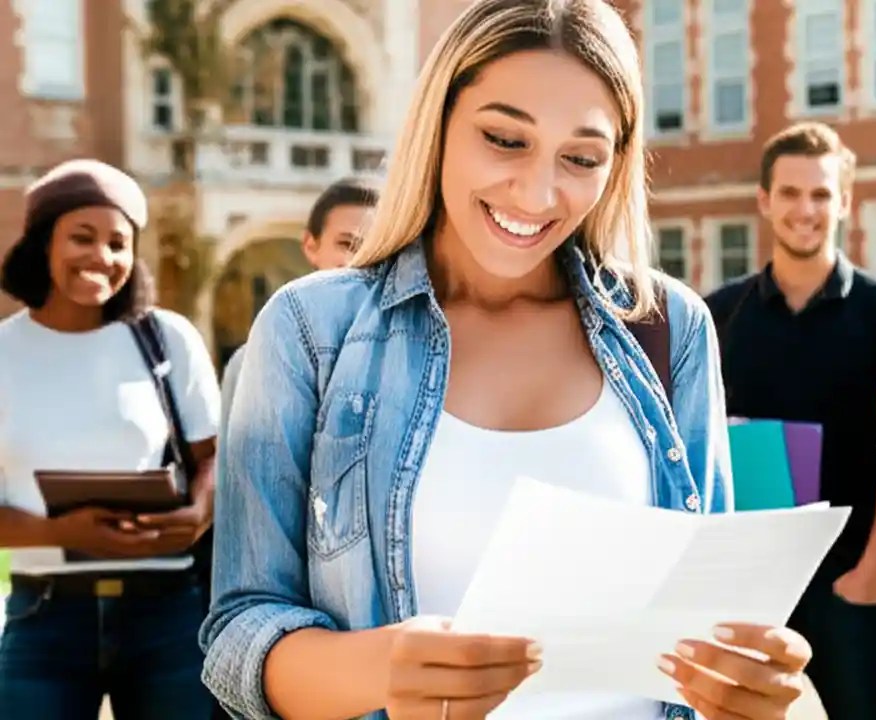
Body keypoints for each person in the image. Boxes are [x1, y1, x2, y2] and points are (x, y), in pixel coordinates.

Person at [199, 1, 814, 719]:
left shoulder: (669, 326)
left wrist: (754, 683)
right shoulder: (312, 330)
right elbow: (237, 635)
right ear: (439, 127)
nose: (538, 192)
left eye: (581, 158)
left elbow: (710, 614)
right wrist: (378, 668)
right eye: (503, 138)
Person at [704, 121, 876, 719]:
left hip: (848, 576)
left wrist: (874, 571)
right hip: (747, 578)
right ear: (764, 200)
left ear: (845, 202)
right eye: (791, 193)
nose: (806, 209)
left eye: (822, 194)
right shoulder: (718, 314)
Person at [0, 159, 221, 718]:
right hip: (44, 615)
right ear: (42, 243)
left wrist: (198, 513)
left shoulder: (167, 339)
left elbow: (214, 460)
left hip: (169, 615)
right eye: (82, 237)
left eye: (119, 243)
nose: (103, 257)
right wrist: (60, 531)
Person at [219, 176, 379, 421]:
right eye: (347, 244)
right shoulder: (253, 363)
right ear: (310, 245)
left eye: (377, 246)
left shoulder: (411, 360)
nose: (360, 260)